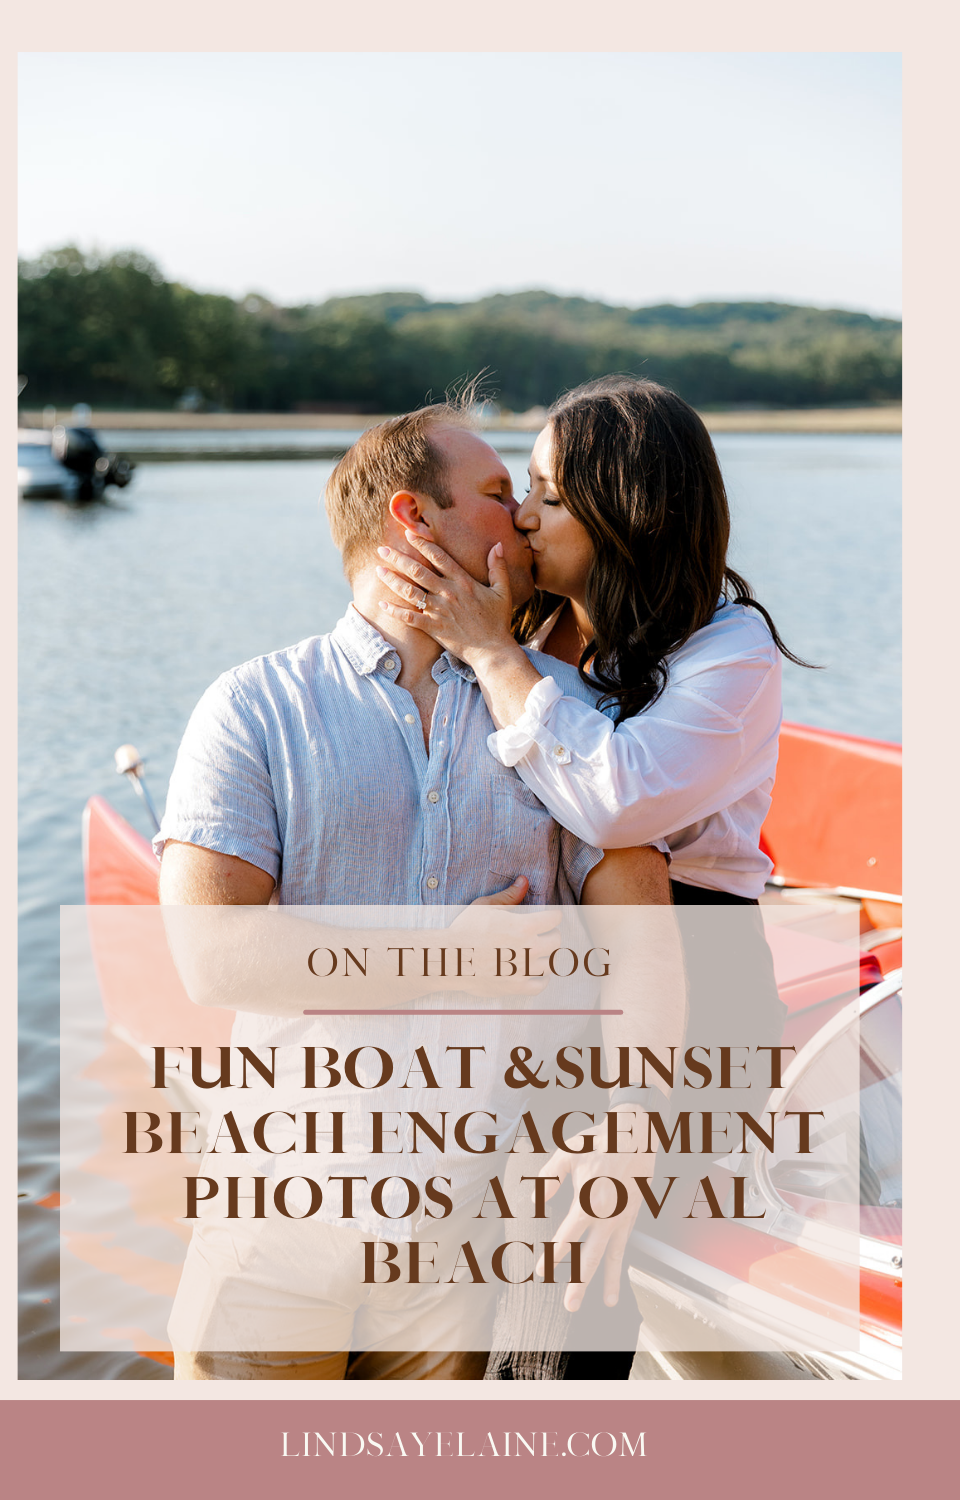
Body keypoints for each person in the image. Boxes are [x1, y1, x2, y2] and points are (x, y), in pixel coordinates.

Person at [155, 396, 677, 1382]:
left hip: (457, 1247)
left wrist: (634, 1121)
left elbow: (644, 940)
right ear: (414, 517)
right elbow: (212, 958)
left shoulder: (565, 718)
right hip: (275, 1226)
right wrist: (446, 957)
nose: (524, 516)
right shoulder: (254, 707)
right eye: (497, 493)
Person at [375, 375, 797, 1378]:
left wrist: (490, 654)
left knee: (570, 1264)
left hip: (693, 973)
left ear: (629, 515)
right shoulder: (534, 621)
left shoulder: (730, 651)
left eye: (551, 495)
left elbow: (619, 803)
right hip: (554, 959)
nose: (524, 515)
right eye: (522, 488)